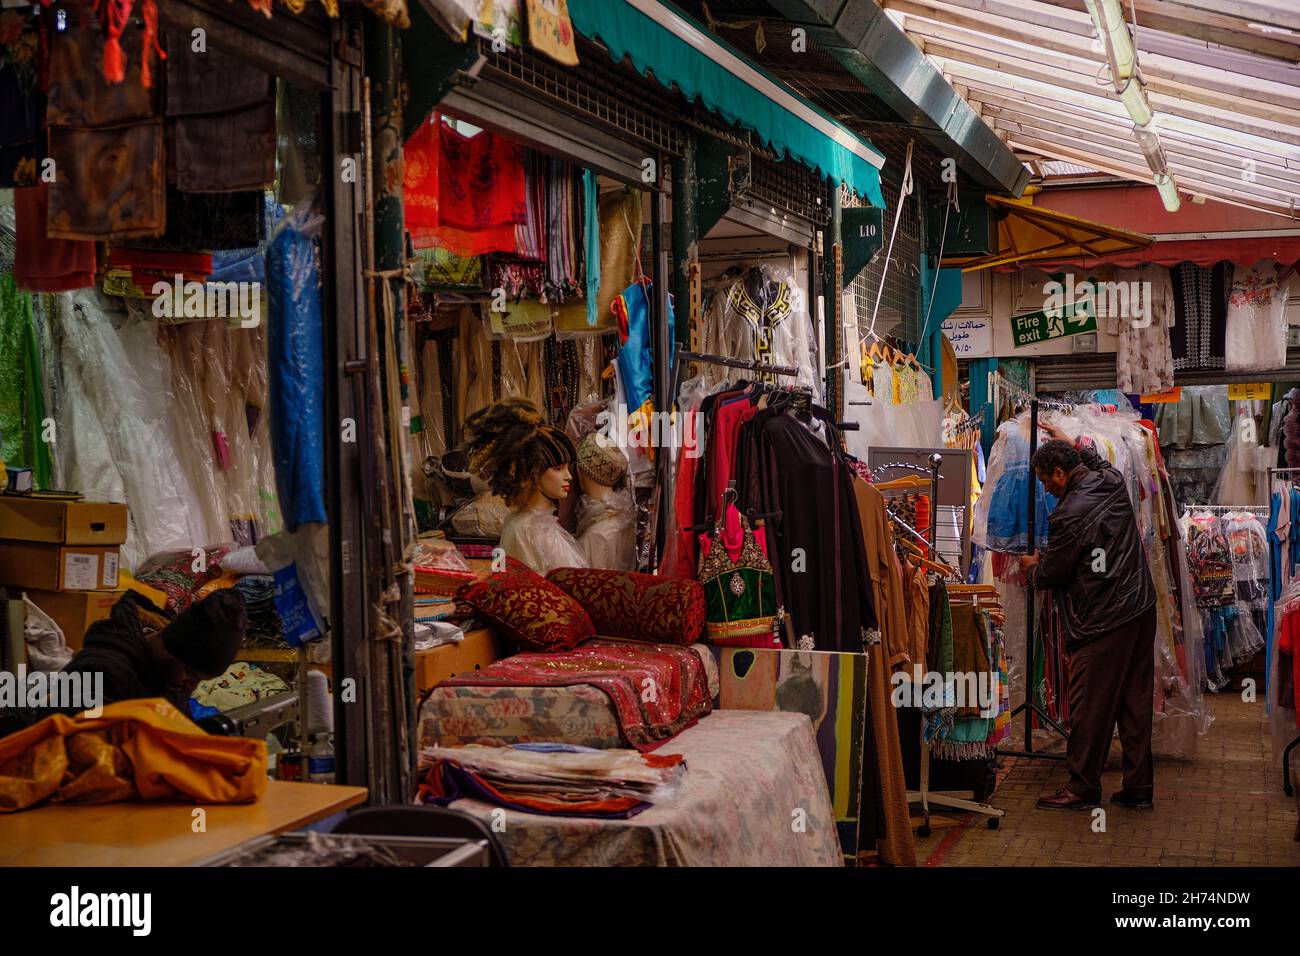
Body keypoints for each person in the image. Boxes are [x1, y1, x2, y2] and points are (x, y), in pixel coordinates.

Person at [1019, 420, 1157, 812]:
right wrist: (1072, 443)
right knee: (1134, 704)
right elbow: (1096, 462)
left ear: (1060, 474)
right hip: (1140, 608)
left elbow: (1052, 574)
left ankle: (1082, 787)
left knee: (1090, 708)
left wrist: (1031, 566)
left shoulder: (1067, 517)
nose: (1046, 489)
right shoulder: (1111, 480)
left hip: (1103, 621)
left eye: (1047, 480)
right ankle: (1138, 786)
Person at [0, 589, 248, 738]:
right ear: (172, 652)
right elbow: (75, 756)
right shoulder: (98, 672)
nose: (191, 685)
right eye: (190, 674)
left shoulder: (171, 680)